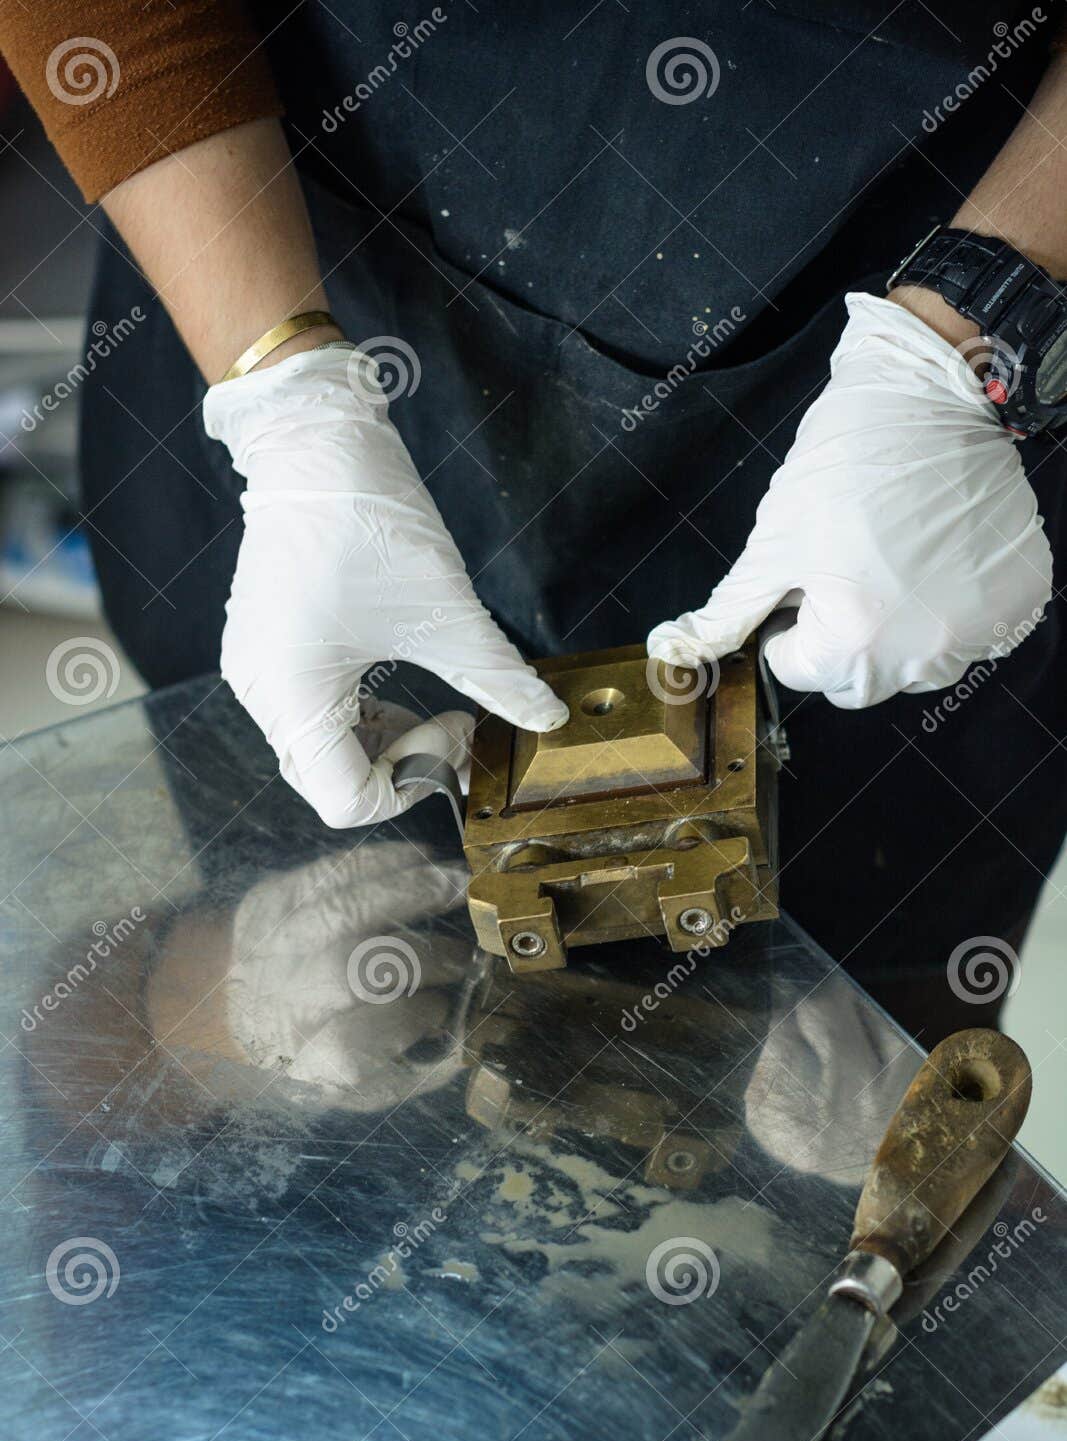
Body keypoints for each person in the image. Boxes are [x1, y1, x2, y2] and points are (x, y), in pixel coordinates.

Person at [2, 1, 1066, 1045]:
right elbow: (85, 1072)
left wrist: (973, 334)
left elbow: (941, 1101)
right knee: (300, 939)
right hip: (285, 261)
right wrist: (285, 409)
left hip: (910, 444)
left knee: (866, 1022)